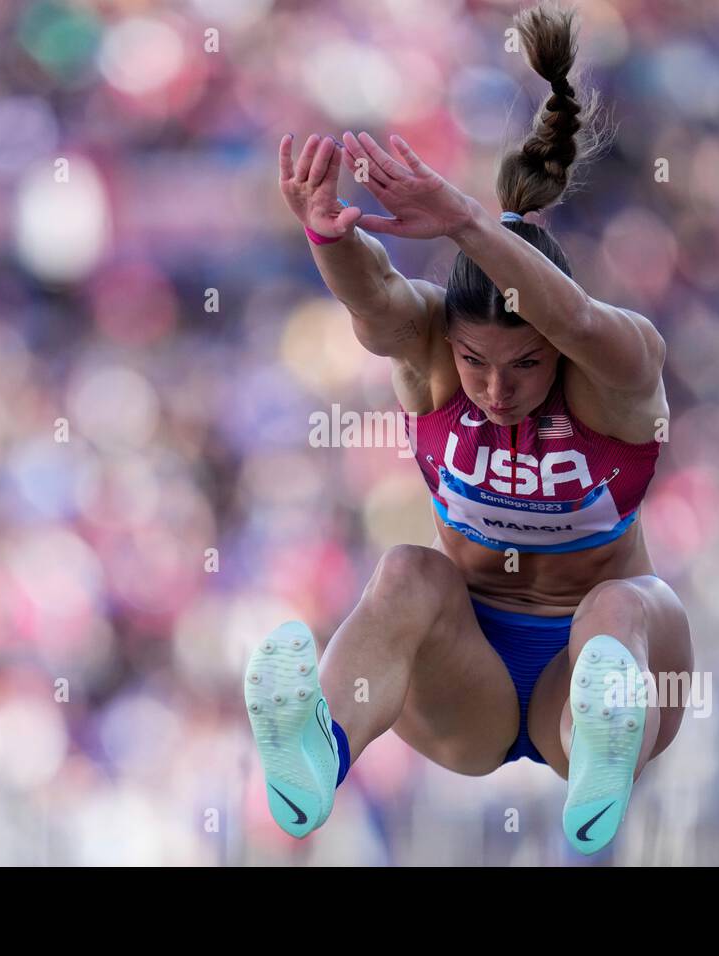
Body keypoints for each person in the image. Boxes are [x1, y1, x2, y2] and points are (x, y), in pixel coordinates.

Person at [245, 4, 693, 854]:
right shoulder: (433, 355)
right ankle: (314, 751)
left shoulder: (620, 368)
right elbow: (377, 302)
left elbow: (583, 322)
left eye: (524, 365)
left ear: (556, 351)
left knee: (625, 601)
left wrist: (464, 221)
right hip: (469, 684)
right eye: (476, 362)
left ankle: (602, 749)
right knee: (408, 569)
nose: (494, 389)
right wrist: (327, 232)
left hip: (599, 670)